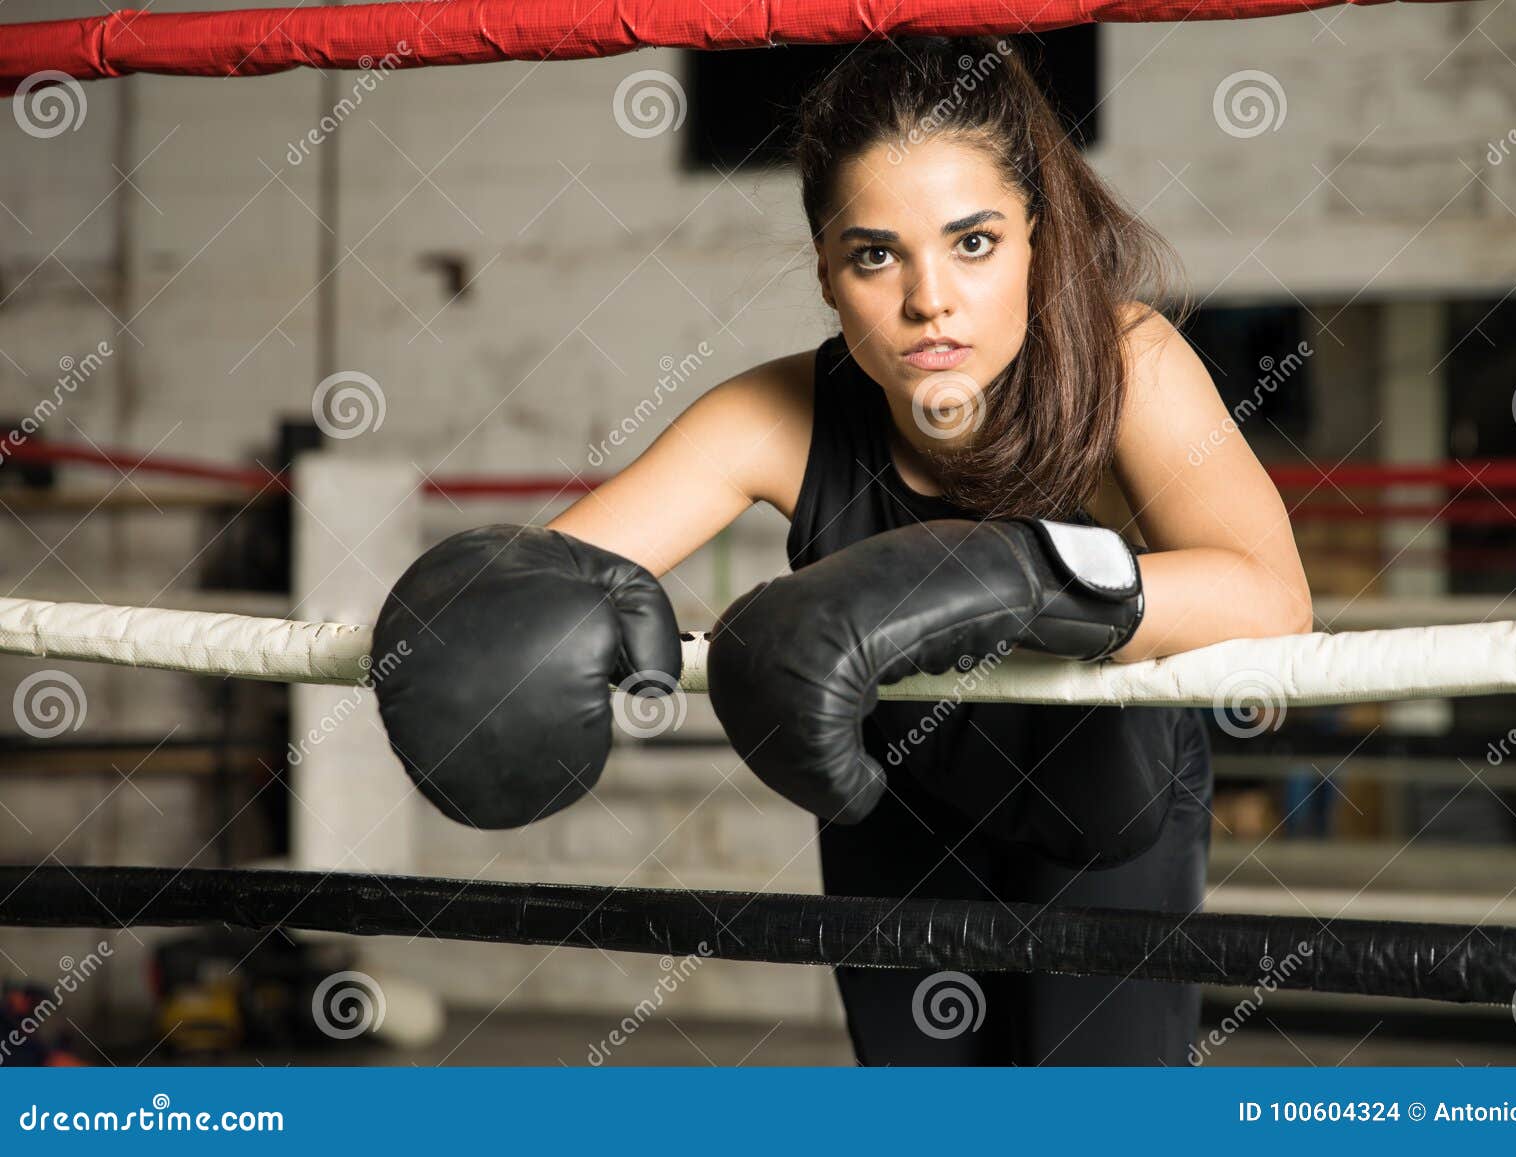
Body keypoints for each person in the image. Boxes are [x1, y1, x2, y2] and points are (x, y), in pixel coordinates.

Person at [385, 36, 1312, 1065]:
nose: (929, 300)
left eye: (973, 242)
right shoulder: (776, 414)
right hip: (893, 800)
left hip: (1107, 797)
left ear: (1038, 240)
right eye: (876, 255)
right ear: (827, 273)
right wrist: (511, 630)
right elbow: (521, 588)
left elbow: (1273, 597)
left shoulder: (1122, 359)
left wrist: (1013, 575)